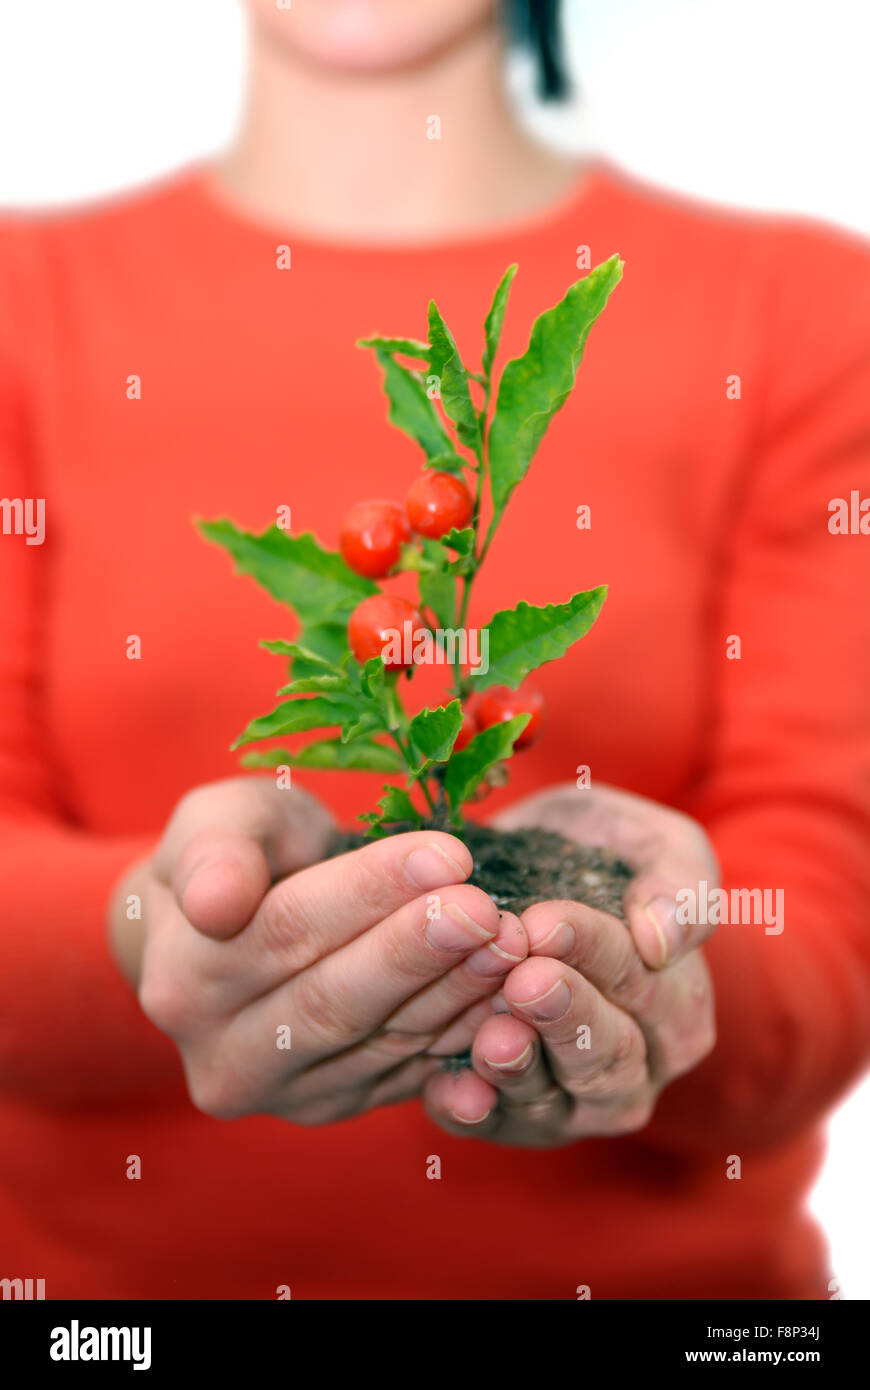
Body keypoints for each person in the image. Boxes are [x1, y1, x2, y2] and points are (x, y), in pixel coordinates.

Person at [0, 0, 868, 1301]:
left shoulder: (805, 313)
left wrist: (670, 976)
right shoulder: (24, 304)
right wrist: (148, 931)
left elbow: (824, 927)